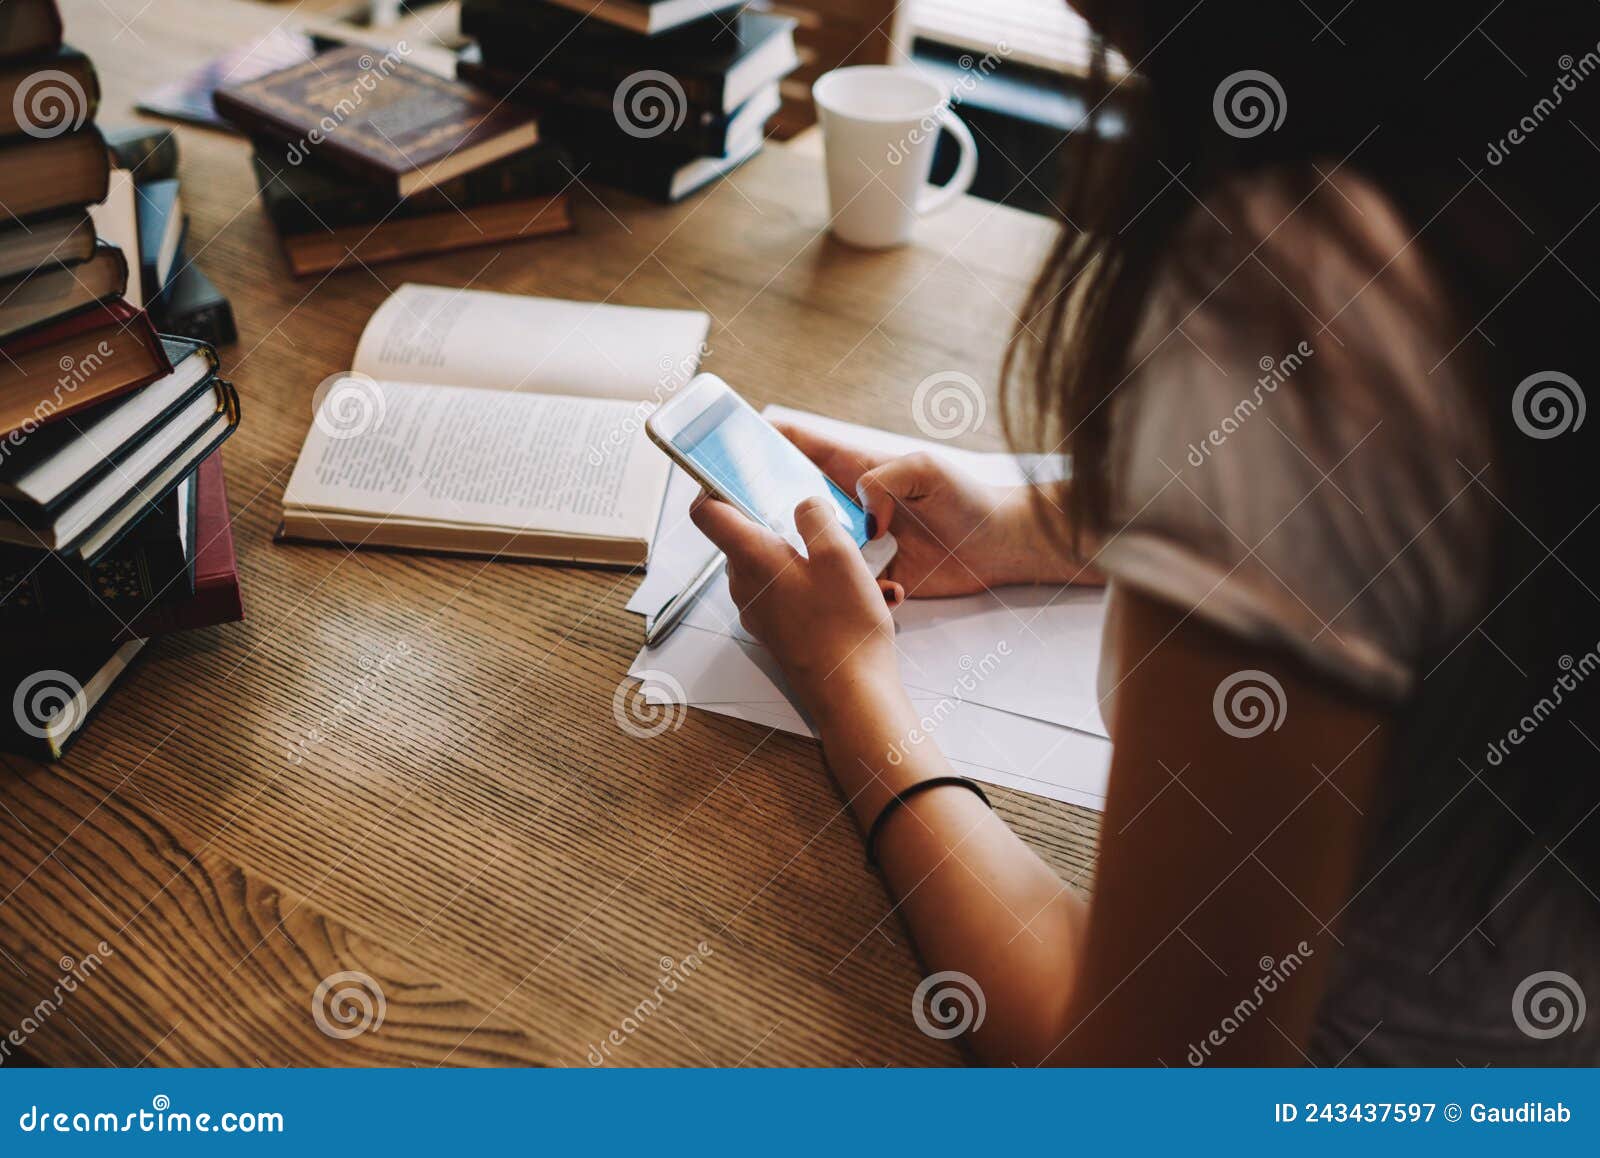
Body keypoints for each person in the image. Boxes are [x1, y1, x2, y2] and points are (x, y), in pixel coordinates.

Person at [691, 0, 1600, 1064]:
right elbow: (1471, 509)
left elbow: (1140, 1084)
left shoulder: (1303, 274)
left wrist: (850, 685)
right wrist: (1056, 523)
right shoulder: (1514, 146)